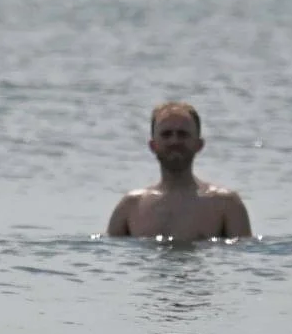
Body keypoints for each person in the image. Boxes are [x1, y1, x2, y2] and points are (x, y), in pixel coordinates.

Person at [105, 101, 254, 241]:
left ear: (199, 144)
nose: (174, 141)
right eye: (166, 134)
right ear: (153, 145)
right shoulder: (130, 207)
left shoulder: (226, 205)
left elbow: (243, 257)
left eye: (182, 134)